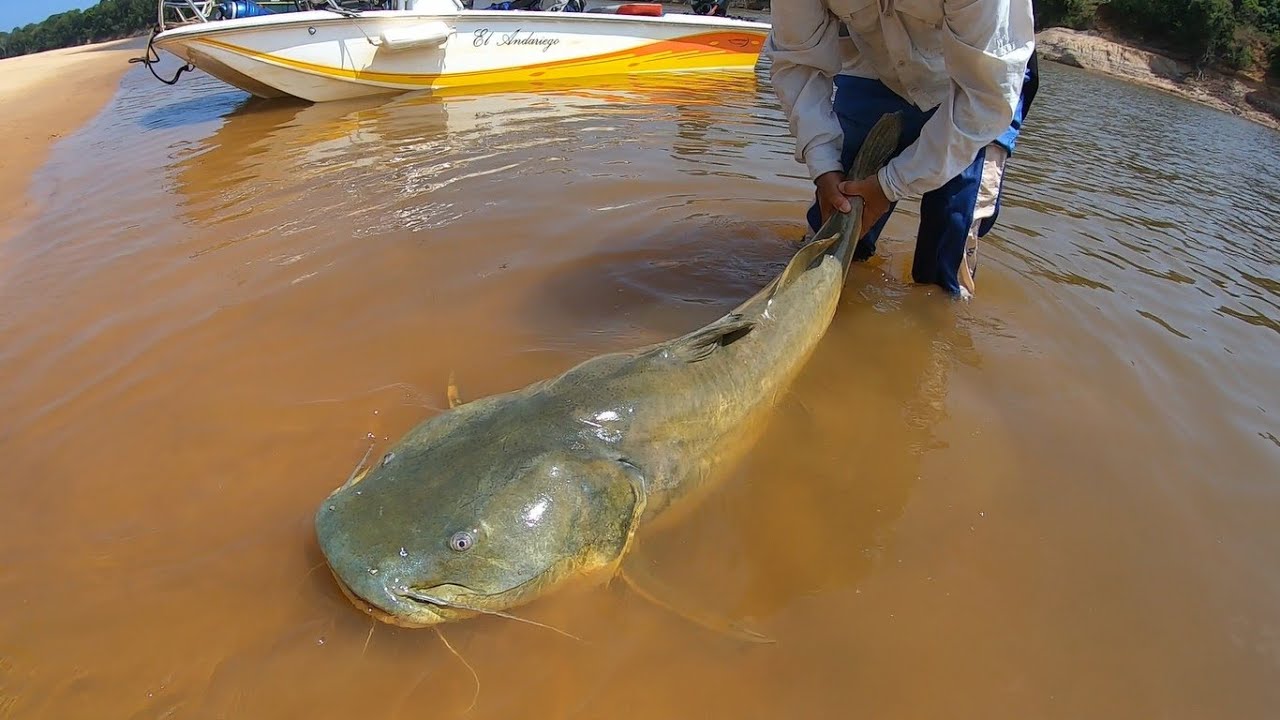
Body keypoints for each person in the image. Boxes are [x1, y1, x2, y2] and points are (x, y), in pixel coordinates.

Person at [765, 0, 1038, 299]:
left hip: (984, 73)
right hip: (872, 64)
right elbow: (797, 64)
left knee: (946, 252)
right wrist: (824, 165)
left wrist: (889, 185)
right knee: (831, 237)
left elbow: (986, 96)